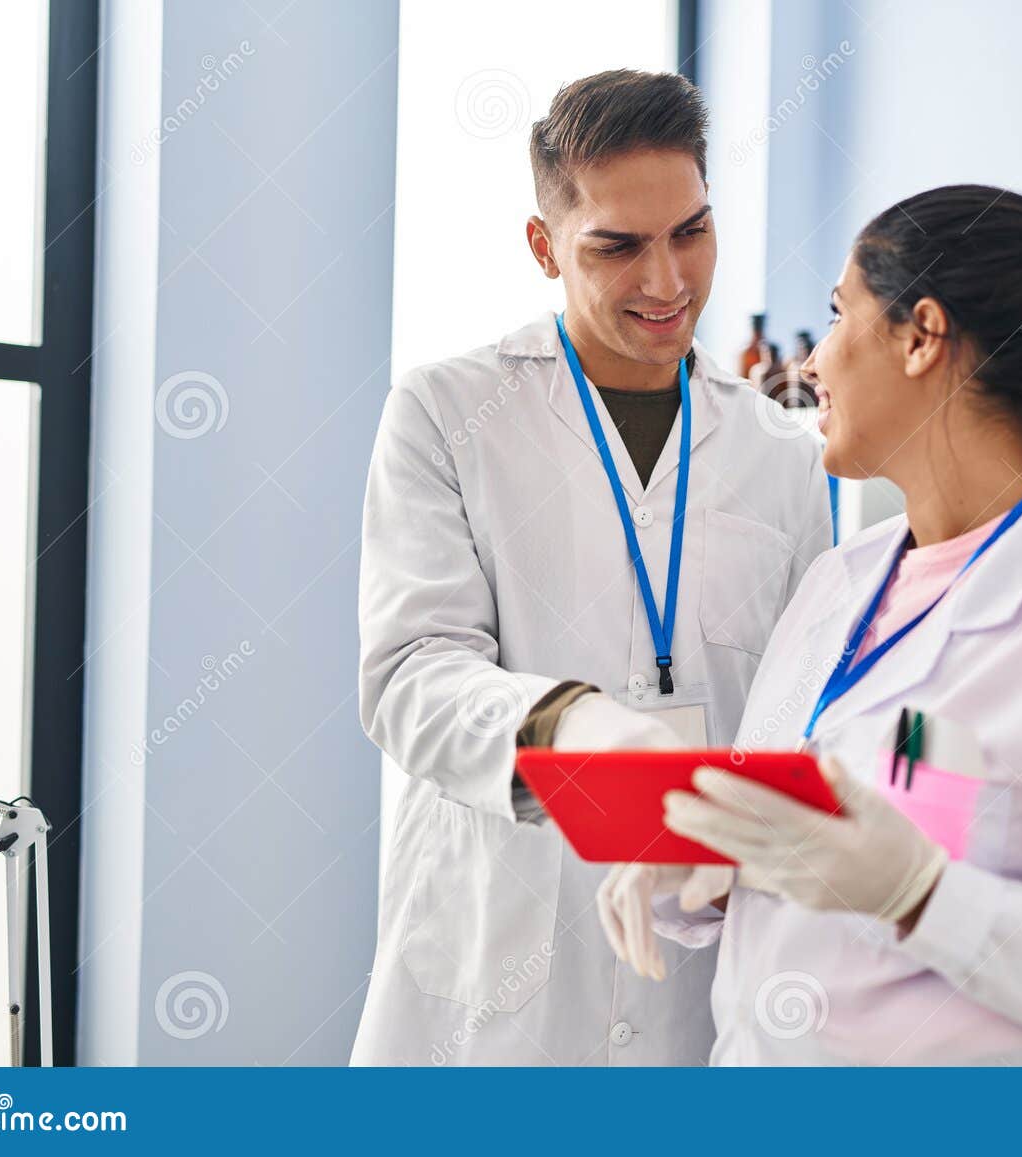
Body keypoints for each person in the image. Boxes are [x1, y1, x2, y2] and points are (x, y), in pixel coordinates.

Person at [596, 185, 1022, 1066]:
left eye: (841, 316)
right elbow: (827, 860)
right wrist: (704, 856)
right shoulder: (836, 586)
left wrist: (927, 898)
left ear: (922, 335)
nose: (813, 365)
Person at [350, 70, 832, 1066]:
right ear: (544, 246)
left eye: (690, 232)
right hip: (498, 955)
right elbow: (408, 675)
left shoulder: (780, 451)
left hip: (700, 969)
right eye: (617, 245)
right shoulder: (447, 412)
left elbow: (803, 714)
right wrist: (579, 724)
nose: (666, 282)